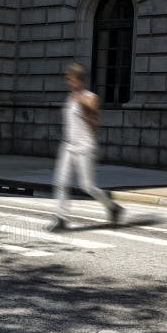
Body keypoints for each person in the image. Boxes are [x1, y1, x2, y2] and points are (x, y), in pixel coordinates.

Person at [49, 63, 123, 230]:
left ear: (79, 80)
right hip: (68, 145)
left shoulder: (90, 98)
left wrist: (83, 105)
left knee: (87, 186)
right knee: (60, 182)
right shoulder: (70, 97)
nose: (68, 82)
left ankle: (113, 208)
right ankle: (61, 218)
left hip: (85, 147)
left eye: (71, 79)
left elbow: (96, 125)